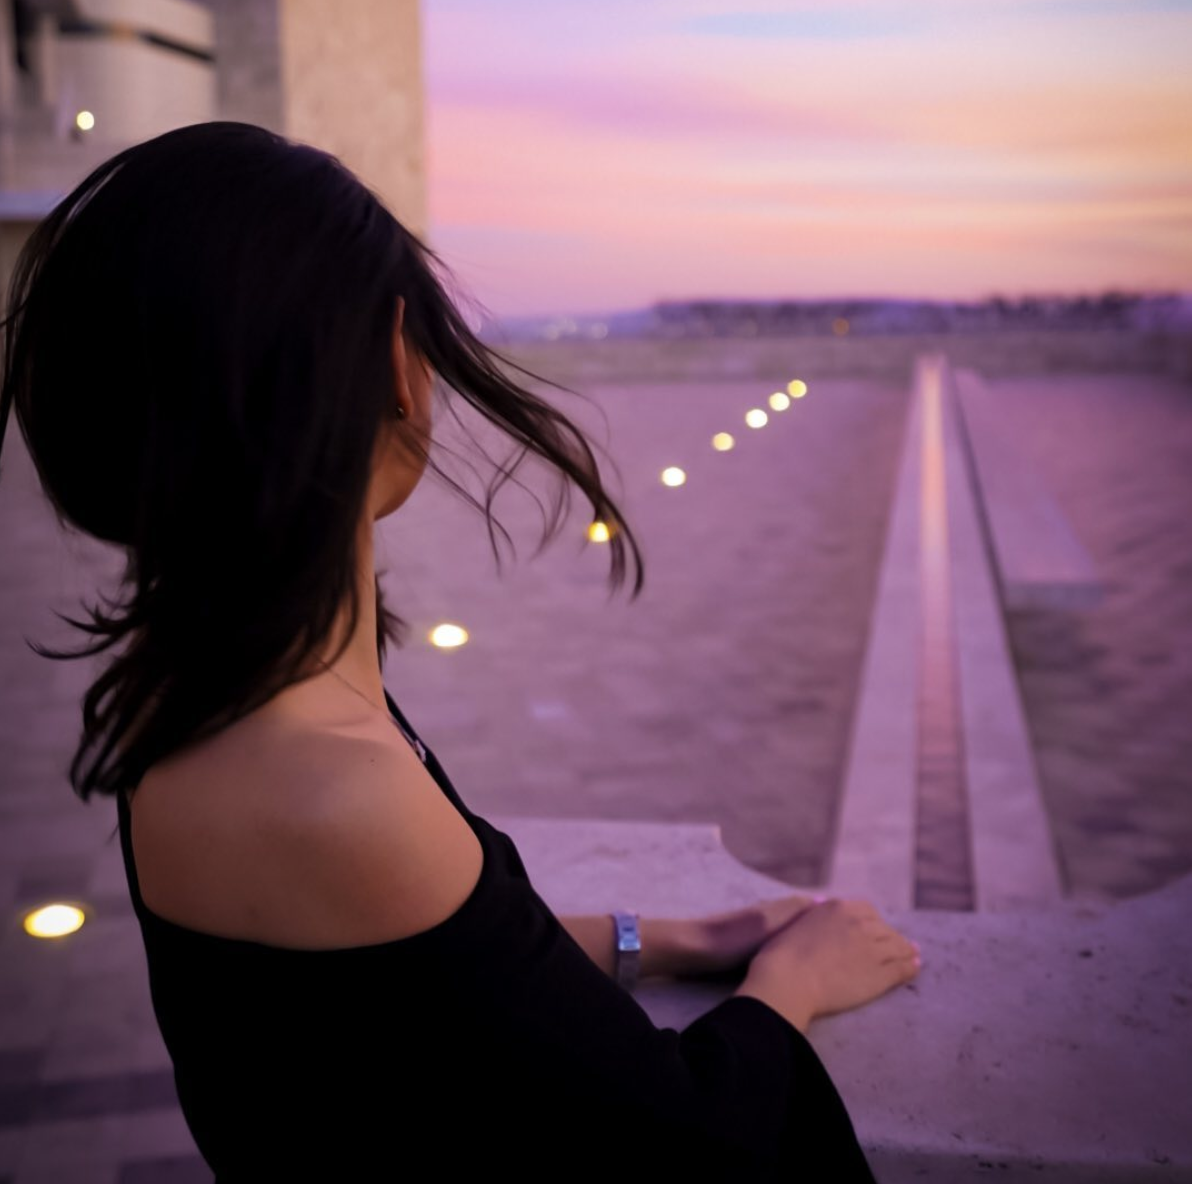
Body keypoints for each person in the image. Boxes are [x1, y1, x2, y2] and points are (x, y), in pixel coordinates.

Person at [0, 121, 919, 1181]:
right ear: (398, 358)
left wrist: (670, 938)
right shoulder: (324, 787)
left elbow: (435, 968)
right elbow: (683, 1143)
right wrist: (790, 984)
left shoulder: (206, 700)